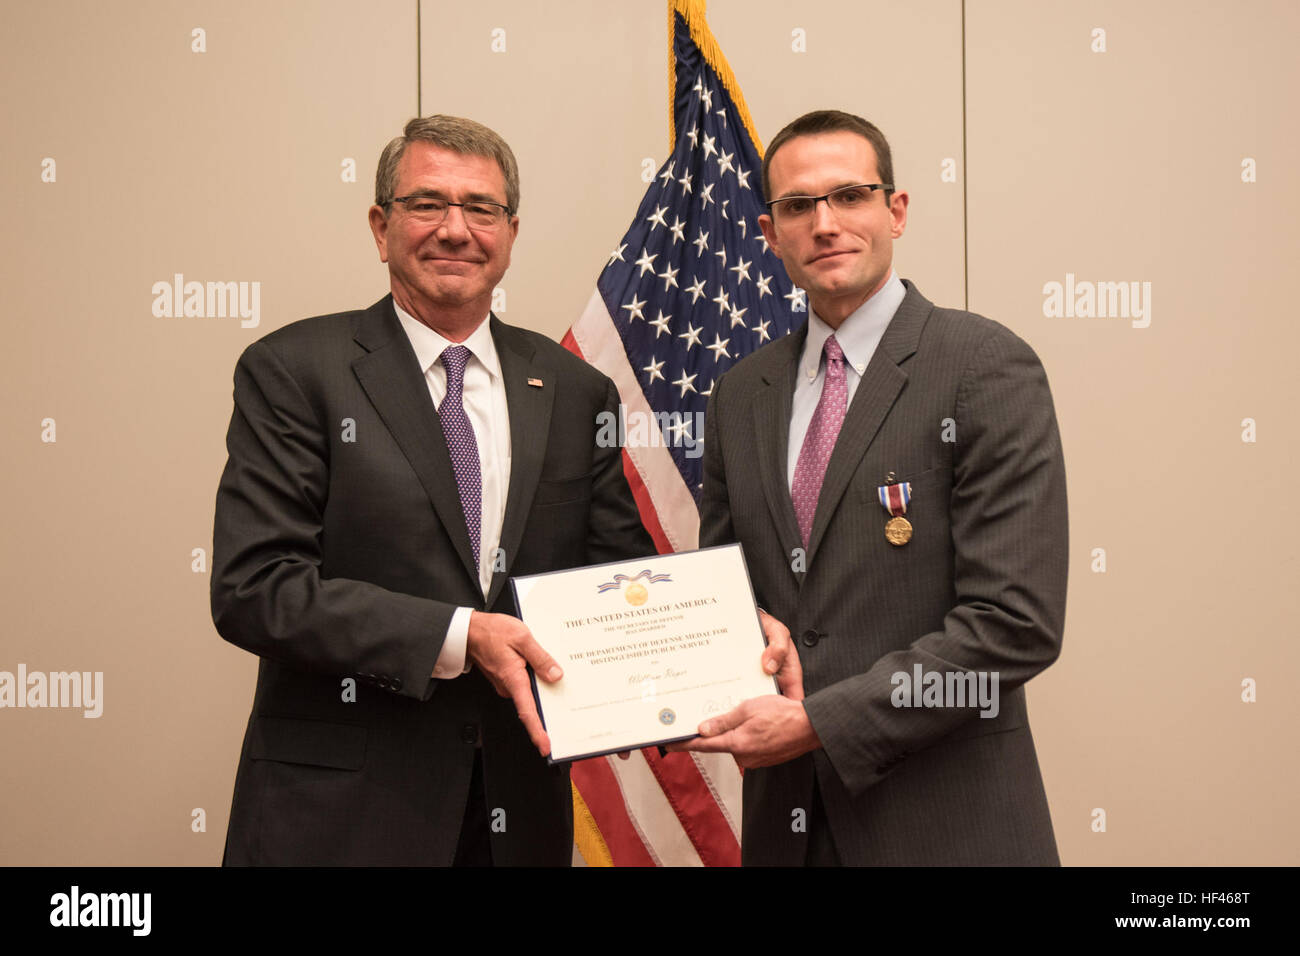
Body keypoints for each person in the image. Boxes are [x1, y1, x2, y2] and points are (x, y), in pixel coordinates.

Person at [210, 115, 663, 865]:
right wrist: (462, 635)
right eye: (428, 204)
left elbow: (615, 578)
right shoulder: (295, 371)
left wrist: (711, 651)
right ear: (381, 225)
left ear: (510, 231)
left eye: (480, 209)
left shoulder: (576, 391)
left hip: (516, 812)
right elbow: (255, 588)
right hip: (339, 818)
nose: (456, 230)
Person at [671, 110, 1069, 865]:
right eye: (798, 206)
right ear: (769, 232)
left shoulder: (982, 366)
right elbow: (729, 593)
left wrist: (820, 720)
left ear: (896, 210)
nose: (825, 224)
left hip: (947, 828)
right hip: (787, 825)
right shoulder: (739, 393)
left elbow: (1015, 622)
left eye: (850, 196)